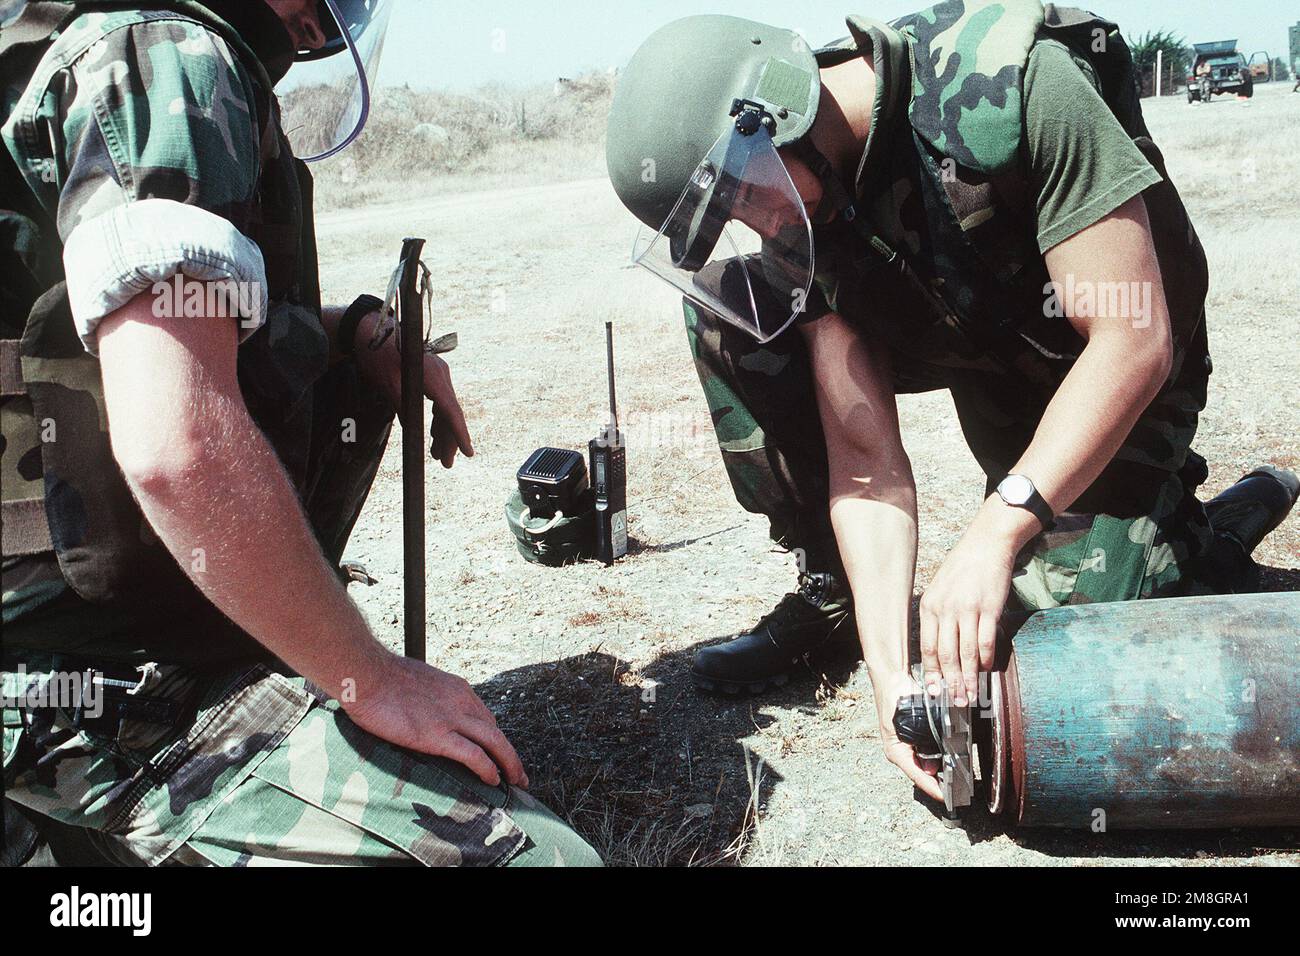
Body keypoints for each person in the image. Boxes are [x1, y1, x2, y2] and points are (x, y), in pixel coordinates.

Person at [604, 2, 1297, 799]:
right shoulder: (801, 200)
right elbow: (865, 464)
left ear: (778, 110)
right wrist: (888, 675)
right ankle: (836, 598)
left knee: (1078, 622)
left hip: (1119, 355)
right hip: (983, 355)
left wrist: (995, 534)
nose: (758, 222)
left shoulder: (1014, 84)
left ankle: (1196, 535)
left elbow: (1133, 341)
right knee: (734, 318)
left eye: (743, 193)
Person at [1, 0, 600, 866]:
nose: (323, 30)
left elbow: (128, 328)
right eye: (317, 13)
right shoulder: (168, 50)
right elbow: (177, 446)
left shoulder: (73, 39)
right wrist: (369, 674)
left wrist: (362, 328)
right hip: (108, 681)